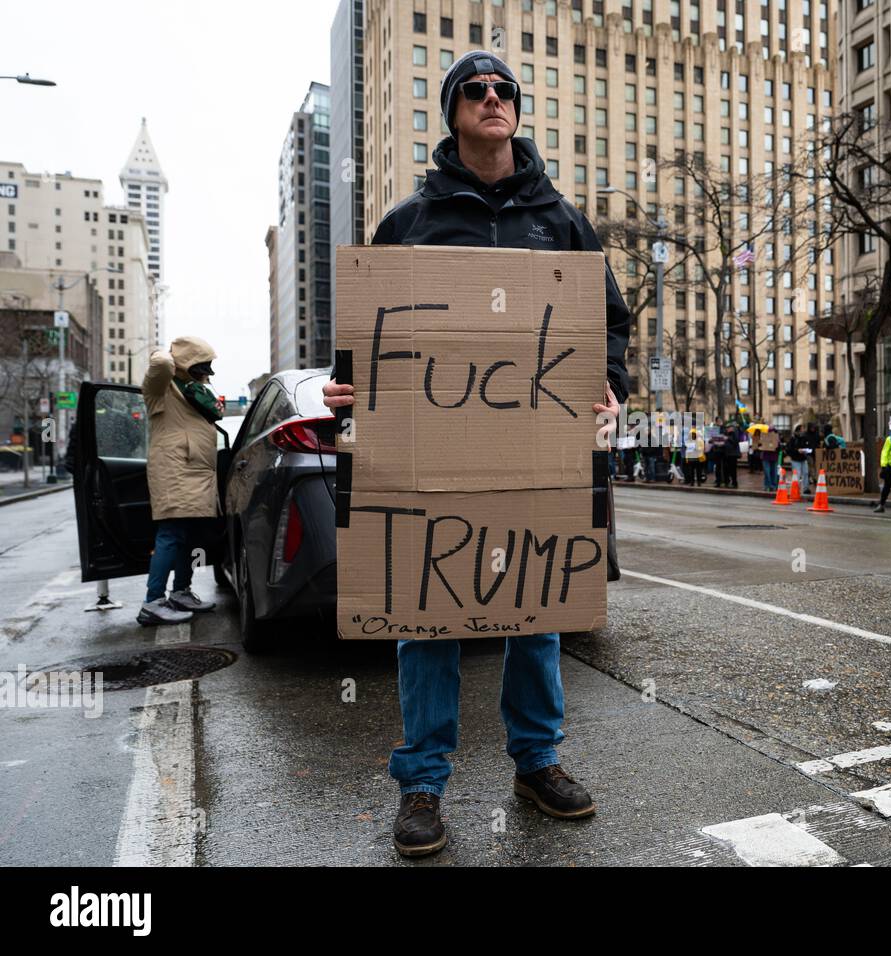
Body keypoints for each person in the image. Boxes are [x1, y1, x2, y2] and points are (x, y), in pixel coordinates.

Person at [321, 49, 630, 858]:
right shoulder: (409, 221)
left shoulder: (560, 220)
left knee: (538, 604)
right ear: (454, 112)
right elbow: (363, 330)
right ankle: (422, 782)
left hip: (535, 448)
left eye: (505, 91)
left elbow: (610, 320)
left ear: (516, 114)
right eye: (477, 91)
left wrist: (612, 386)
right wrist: (345, 388)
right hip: (432, 453)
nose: (493, 100)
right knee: (428, 615)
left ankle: (537, 762)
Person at [137, 337, 222, 626]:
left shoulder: (194, 391)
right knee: (171, 534)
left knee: (186, 537)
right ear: (185, 366)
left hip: (196, 473)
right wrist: (171, 354)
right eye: (199, 368)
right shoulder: (160, 390)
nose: (204, 375)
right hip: (175, 471)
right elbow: (161, 362)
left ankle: (181, 592)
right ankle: (153, 601)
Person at [721, 423, 741, 488]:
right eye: (727, 428)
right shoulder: (725, 433)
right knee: (725, 469)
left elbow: (736, 442)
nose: (727, 429)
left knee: (733, 469)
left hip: (733, 454)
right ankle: (726, 481)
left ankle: (734, 483)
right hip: (725, 453)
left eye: (729, 428)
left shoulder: (735, 433)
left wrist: (728, 438)